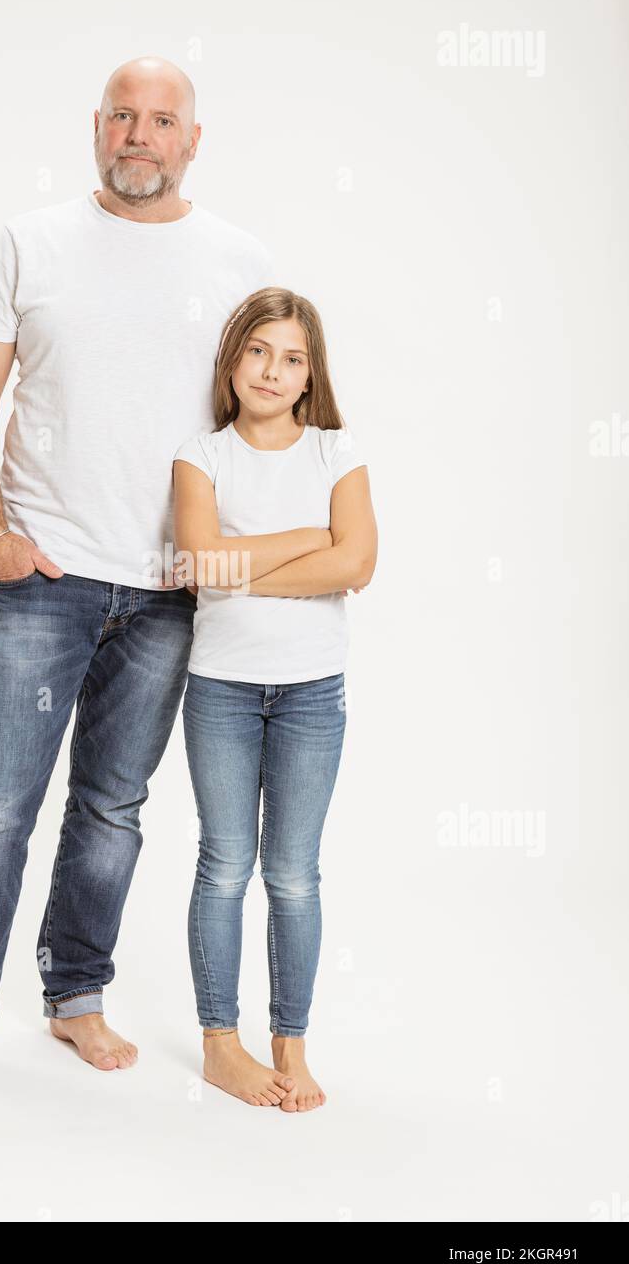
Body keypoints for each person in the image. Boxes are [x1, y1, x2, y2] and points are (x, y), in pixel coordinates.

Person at [0, 55, 279, 1100]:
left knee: (112, 806)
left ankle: (74, 998)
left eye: (161, 119)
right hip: (41, 580)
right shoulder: (31, 243)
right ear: (95, 127)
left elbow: (263, 420)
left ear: (192, 139)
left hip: (166, 596)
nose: (137, 134)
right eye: (121, 114)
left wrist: (224, 557)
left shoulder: (239, 260)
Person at [171, 287, 378, 1111]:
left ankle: (289, 1043)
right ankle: (222, 1045)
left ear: (309, 376)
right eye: (258, 350)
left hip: (309, 697)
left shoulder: (336, 454)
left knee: (293, 874)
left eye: (291, 358)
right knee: (224, 866)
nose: (272, 369)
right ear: (232, 361)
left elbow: (356, 566)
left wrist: (238, 557)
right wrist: (305, 540)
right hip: (220, 690)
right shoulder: (202, 454)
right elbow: (196, 563)